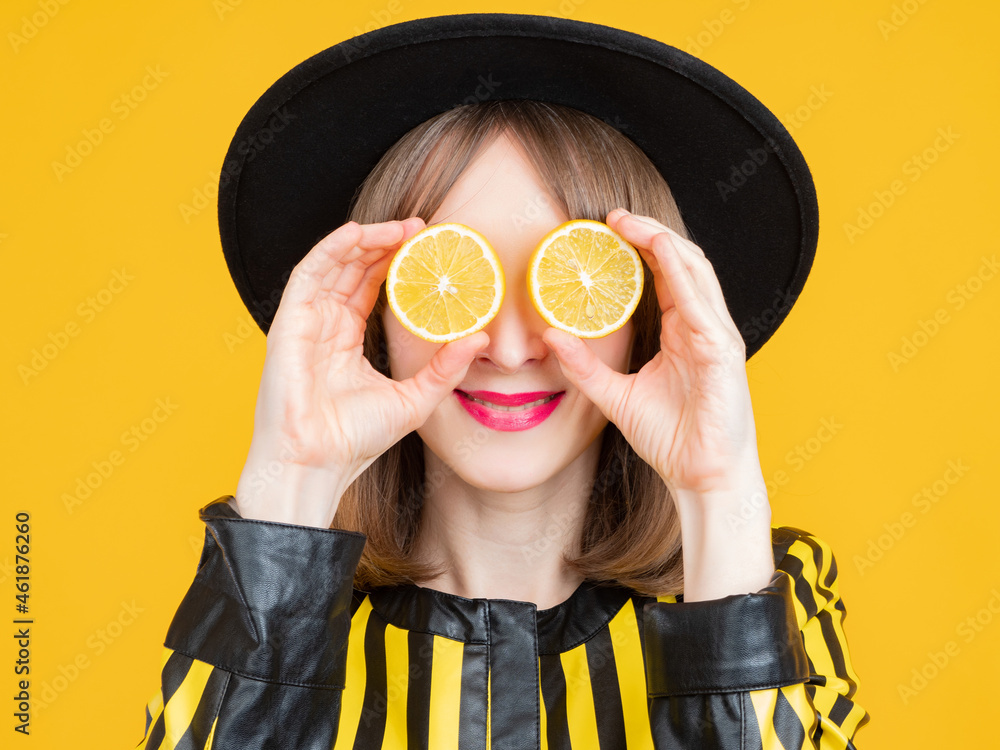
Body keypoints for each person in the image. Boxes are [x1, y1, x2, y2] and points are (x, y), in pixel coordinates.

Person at [134, 14, 869, 750]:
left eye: (569, 284)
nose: (511, 350)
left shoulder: (768, 592)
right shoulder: (258, 603)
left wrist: (718, 493)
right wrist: (293, 480)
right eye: (453, 283)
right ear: (375, 311)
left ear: (647, 313)